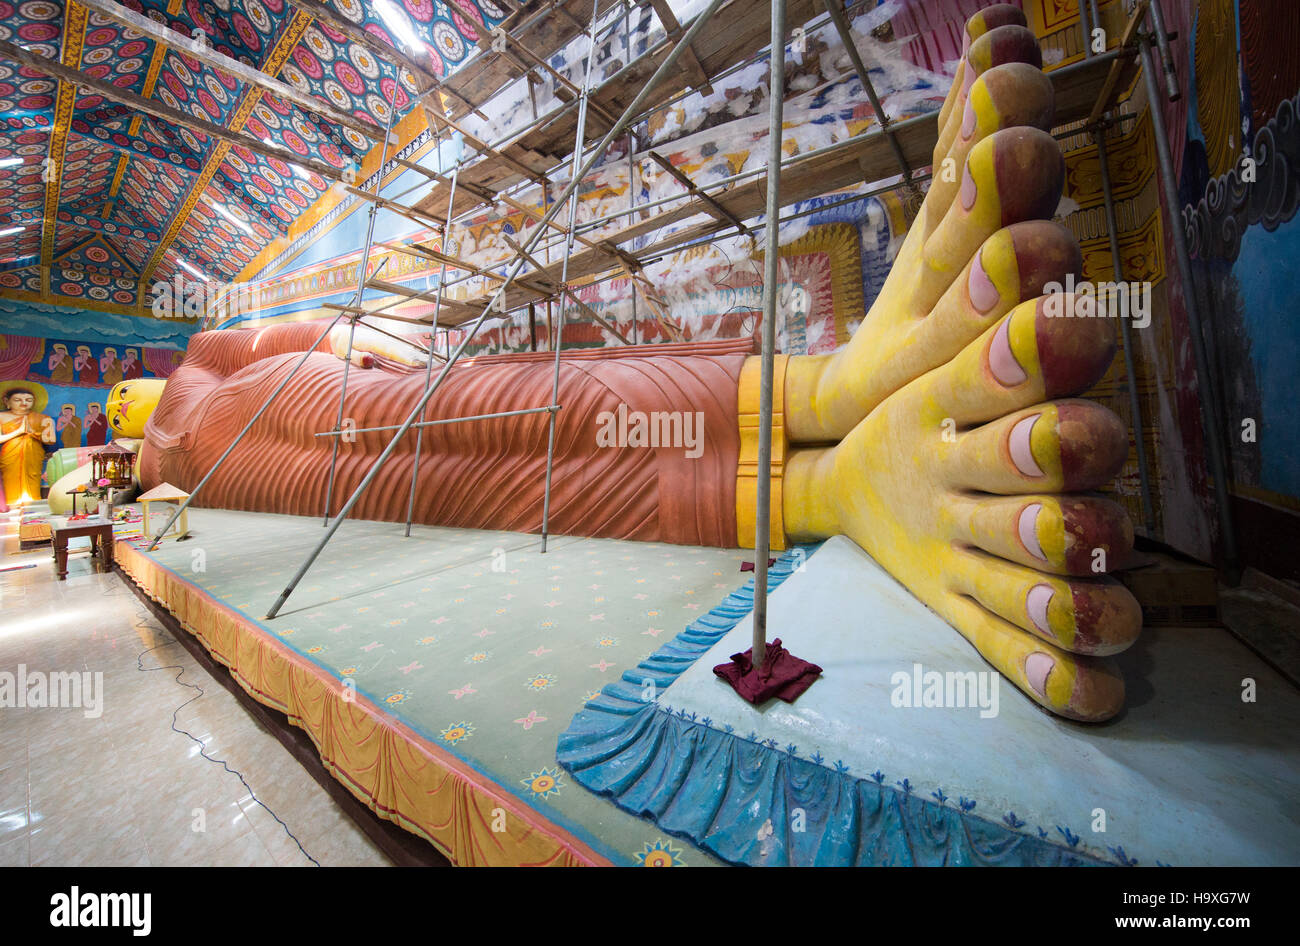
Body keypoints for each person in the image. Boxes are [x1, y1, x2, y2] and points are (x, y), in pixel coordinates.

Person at [130, 7, 1140, 721]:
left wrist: (351, 344)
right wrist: (356, 355)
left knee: (485, 425)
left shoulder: (198, 371)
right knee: (462, 472)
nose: (132, 402)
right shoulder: (165, 429)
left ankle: (827, 391)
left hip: (295, 419)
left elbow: (271, 345)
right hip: (276, 467)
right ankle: (830, 481)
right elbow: (205, 423)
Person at [0, 385, 56, 510]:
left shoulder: (43, 418)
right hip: (9, 456)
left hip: (33, 455)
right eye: (18, 400)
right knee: (10, 479)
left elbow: (51, 440)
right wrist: (19, 431)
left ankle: (32, 504)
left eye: (28, 400)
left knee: (33, 477)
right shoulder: (1, 417)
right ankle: (12, 505)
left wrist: (33, 433)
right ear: (7, 401)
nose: (24, 403)